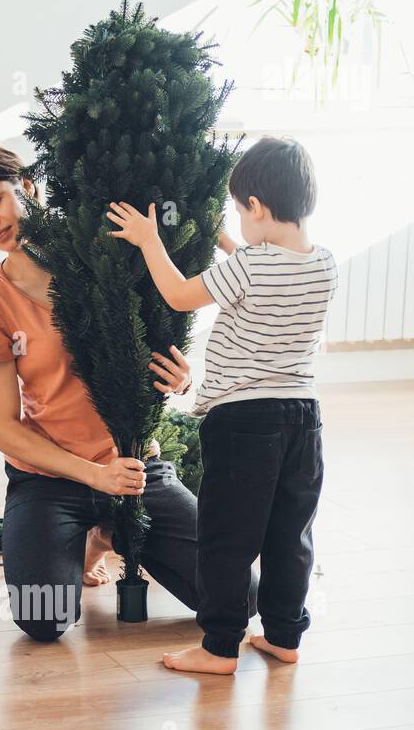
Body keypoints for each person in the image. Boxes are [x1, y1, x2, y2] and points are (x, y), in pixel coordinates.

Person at [0, 143, 215, 642]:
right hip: (50, 478)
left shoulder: (100, 263)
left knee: (239, 598)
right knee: (42, 618)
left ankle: (112, 533)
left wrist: (182, 378)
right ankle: (94, 536)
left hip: (132, 466)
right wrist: (94, 476)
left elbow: (158, 334)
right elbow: (5, 430)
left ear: (25, 186)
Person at [108, 135, 337, 674]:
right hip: (304, 419)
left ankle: (219, 648)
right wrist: (227, 241)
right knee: (290, 535)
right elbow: (263, 270)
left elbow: (179, 294)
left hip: (244, 421)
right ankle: (284, 636)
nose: (240, 224)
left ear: (256, 206)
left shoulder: (250, 268)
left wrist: (148, 240)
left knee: (226, 537)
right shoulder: (323, 263)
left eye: (240, 213)